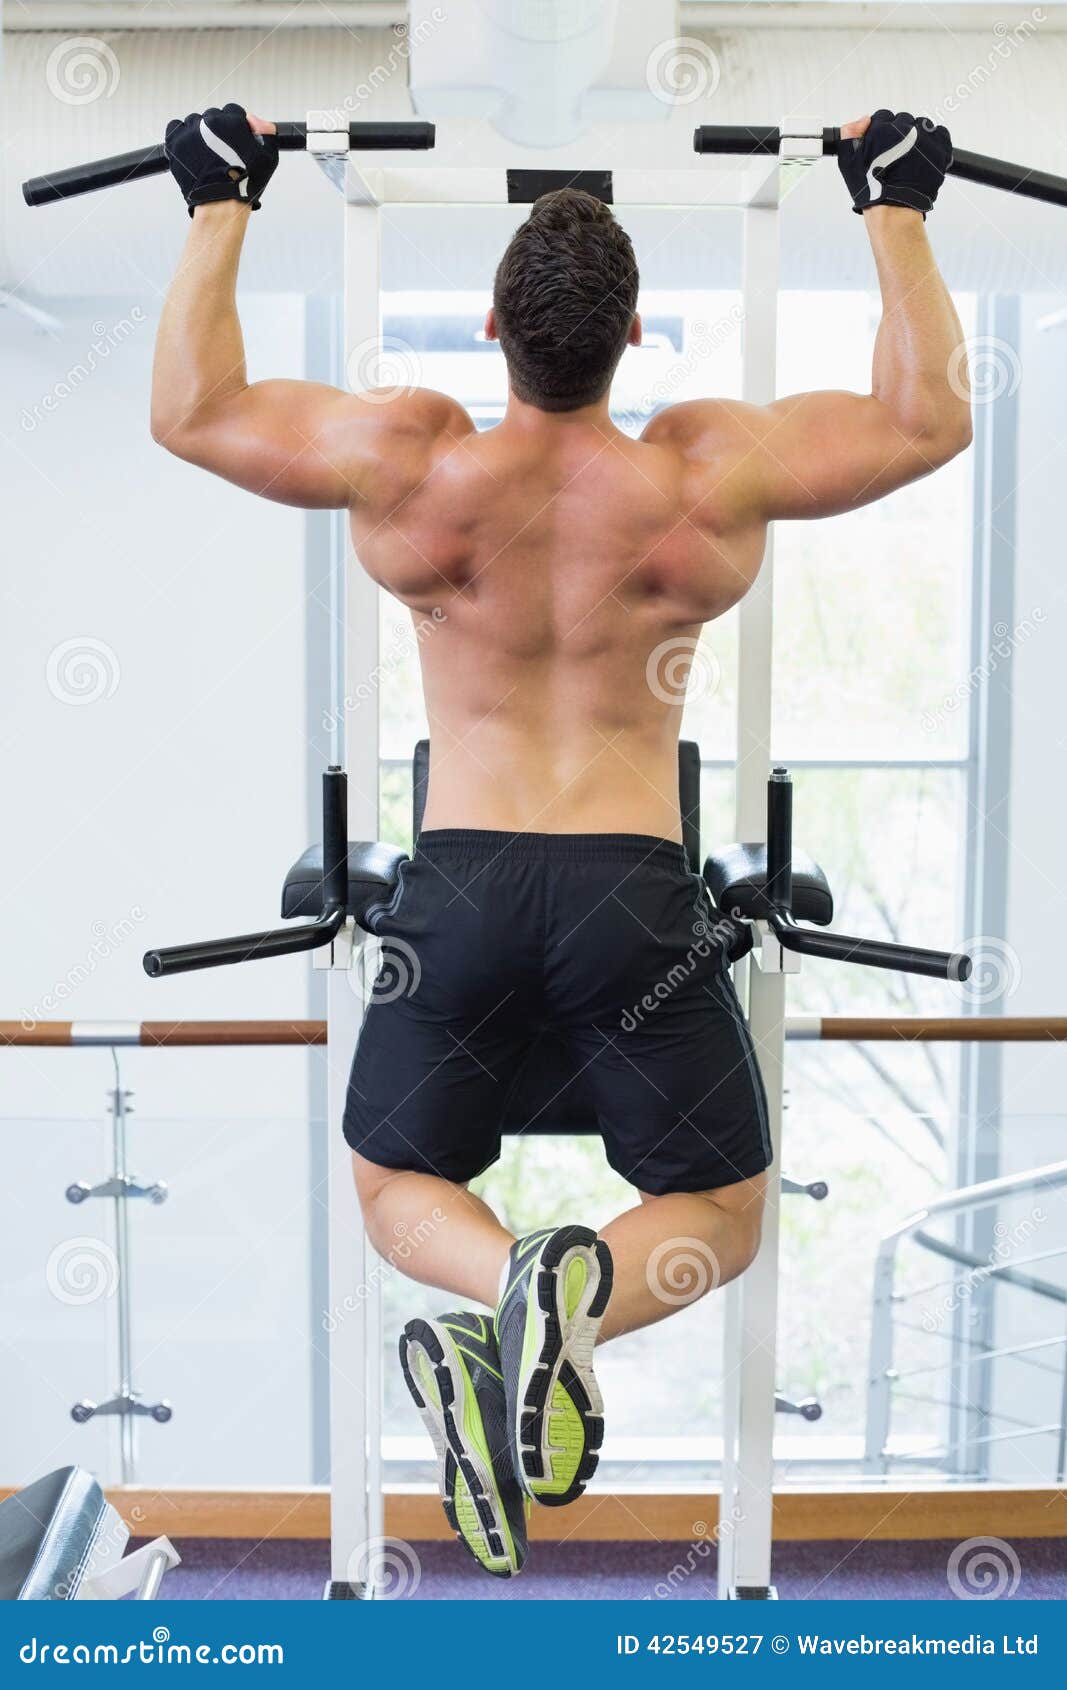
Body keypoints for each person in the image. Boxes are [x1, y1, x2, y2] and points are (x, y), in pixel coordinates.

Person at [154, 105, 971, 1578]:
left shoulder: (412, 462)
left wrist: (222, 197)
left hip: (456, 886)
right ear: (637, 334)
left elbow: (193, 411)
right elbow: (927, 419)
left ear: (488, 328)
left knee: (393, 1188)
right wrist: (891, 203)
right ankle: (562, 1306)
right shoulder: (698, 478)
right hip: (634, 898)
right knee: (721, 1213)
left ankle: (513, 1292)